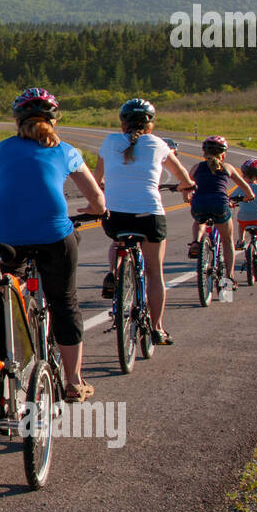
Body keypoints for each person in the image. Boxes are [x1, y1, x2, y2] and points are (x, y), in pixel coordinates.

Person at [0, 88, 106, 402]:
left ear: (17, 120)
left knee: (8, 300)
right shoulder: (66, 151)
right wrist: (98, 211)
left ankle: (5, 374)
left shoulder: (1, 149)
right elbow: (95, 198)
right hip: (53, 236)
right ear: (55, 119)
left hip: (6, 237)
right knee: (65, 303)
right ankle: (74, 382)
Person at [93, 98, 196, 345]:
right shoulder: (158, 144)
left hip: (115, 217)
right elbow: (183, 176)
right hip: (149, 215)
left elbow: (97, 178)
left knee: (118, 239)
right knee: (153, 271)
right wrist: (187, 188)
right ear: (150, 124)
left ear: (122, 123)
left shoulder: (109, 142)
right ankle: (157, 328)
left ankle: (114, 272)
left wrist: (107, 186)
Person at [187, 136, 254, 286]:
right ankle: (228, 279)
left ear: (204, 153)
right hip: (220, 204)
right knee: (227, 240)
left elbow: (187, 184)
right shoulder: (228, 168)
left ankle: (196, 242)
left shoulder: (197, 167)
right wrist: (248, 197)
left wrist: (187, 197)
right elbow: (247, 190)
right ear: (223, 154)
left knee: (198, 221)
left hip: (200, 203)